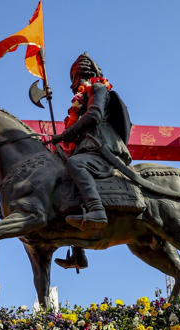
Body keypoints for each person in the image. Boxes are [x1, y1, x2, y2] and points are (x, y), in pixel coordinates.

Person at [51, 53, 132, 267]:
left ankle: (97, 211)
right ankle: (78, 252)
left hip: (102, 150)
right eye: (77, 81)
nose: (79, 84)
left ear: (93, 76)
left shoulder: (99, 89)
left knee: (75, 165)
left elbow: (94, 116)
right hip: (87, 150)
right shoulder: (82, 100)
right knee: (66, 182)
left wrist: (63, 135)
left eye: (82, 78)